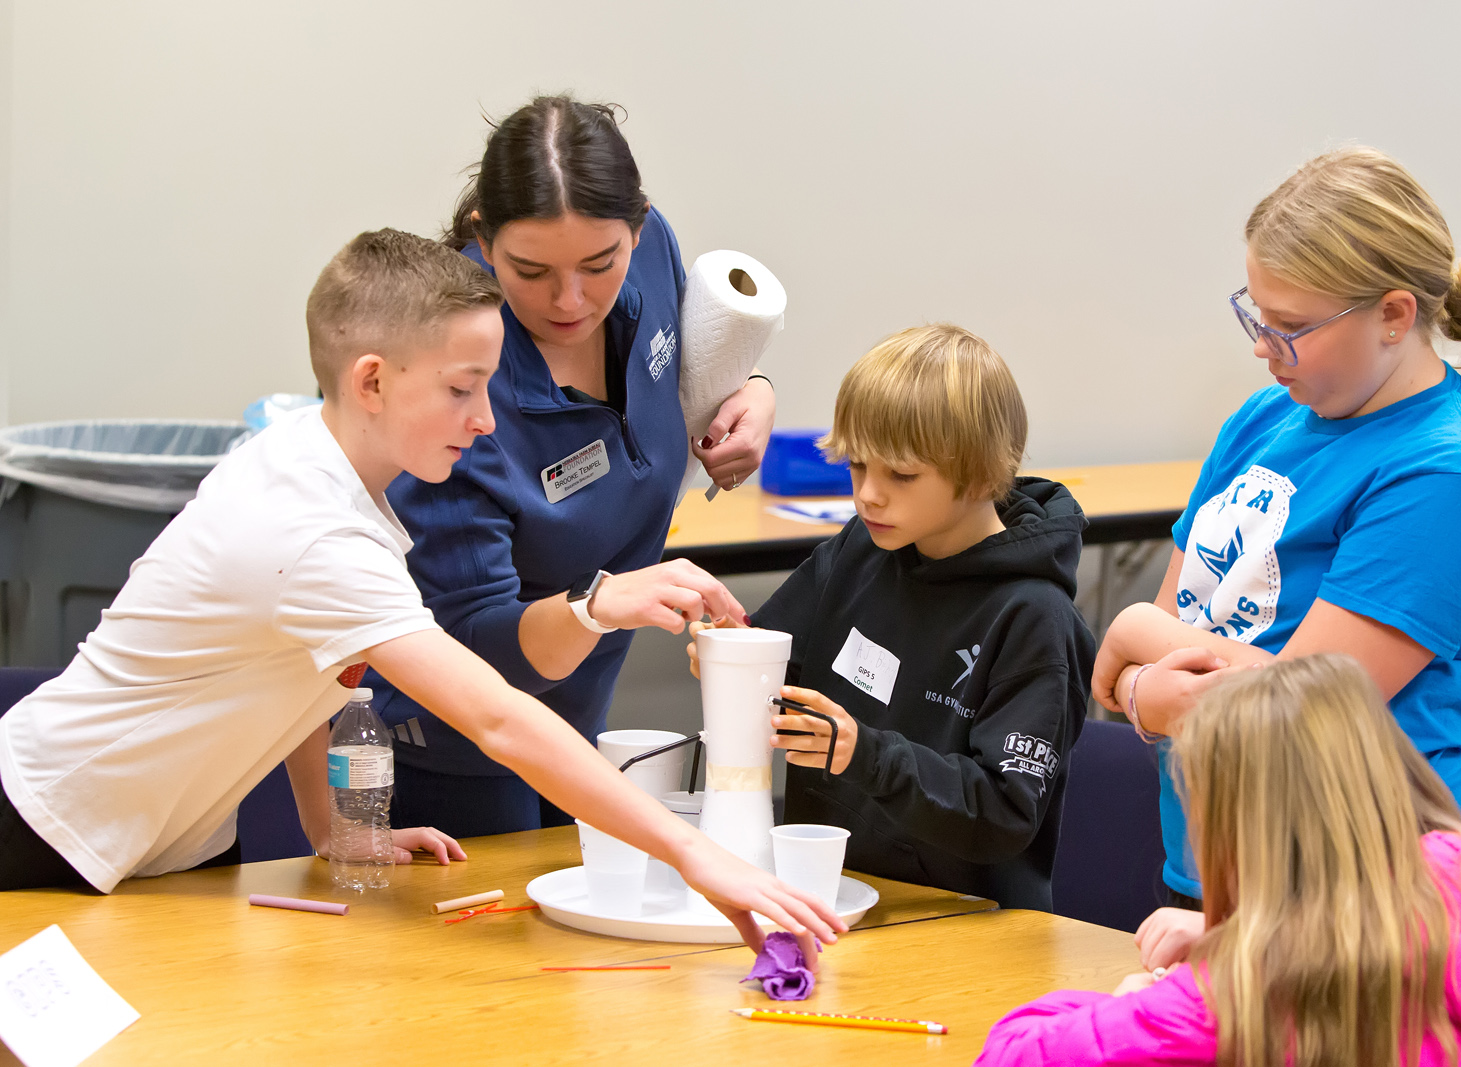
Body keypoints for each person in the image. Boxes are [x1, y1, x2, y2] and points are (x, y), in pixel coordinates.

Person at [0, 229, 842, 957]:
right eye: (461, 388)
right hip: (45, 823)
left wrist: (332, 828)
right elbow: (498, 718)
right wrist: (696, 854)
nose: (486, 419)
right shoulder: (315, 534)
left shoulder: (321, 460)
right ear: (371, 381)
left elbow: (306, 664)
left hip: (164, 843)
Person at [1091, 146, 1461, 906]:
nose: (1264, 347)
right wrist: (1142, 692)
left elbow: (1296, 710)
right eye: (1257, 316)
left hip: (1353, 887)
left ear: (1394, 315)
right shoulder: (1266, 417)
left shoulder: (1446, 478)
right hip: (1216, 854)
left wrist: (1136, 636)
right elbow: (1145, 663)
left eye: (1291, 326)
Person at [367, 95, 778, 838]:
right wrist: (598, 604)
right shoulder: (454, 384)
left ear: (639, 229)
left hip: (577, 721)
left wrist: (753, 389)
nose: (571, 300)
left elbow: (684, 374)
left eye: (600, 264)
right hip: (459, 751)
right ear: (483, 240)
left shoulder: (651, 254)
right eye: (531, 270)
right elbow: (465, 649)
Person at [977, 654, 1461, 1067]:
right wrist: (1240, 931)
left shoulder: (1243, 994)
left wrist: (1129, 1000)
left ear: (1237, 830)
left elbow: (1014, 1052)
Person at [689, 325, 1096, 909]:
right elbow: (780, 671)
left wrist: (866, 756)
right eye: (858, 465)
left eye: (901, 475)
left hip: (963, 924)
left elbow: (1004, 814)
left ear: (981, 474)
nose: (869, 495)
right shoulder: (860, 549)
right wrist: (732, 655)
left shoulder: (1035, 619)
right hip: (829, 897)